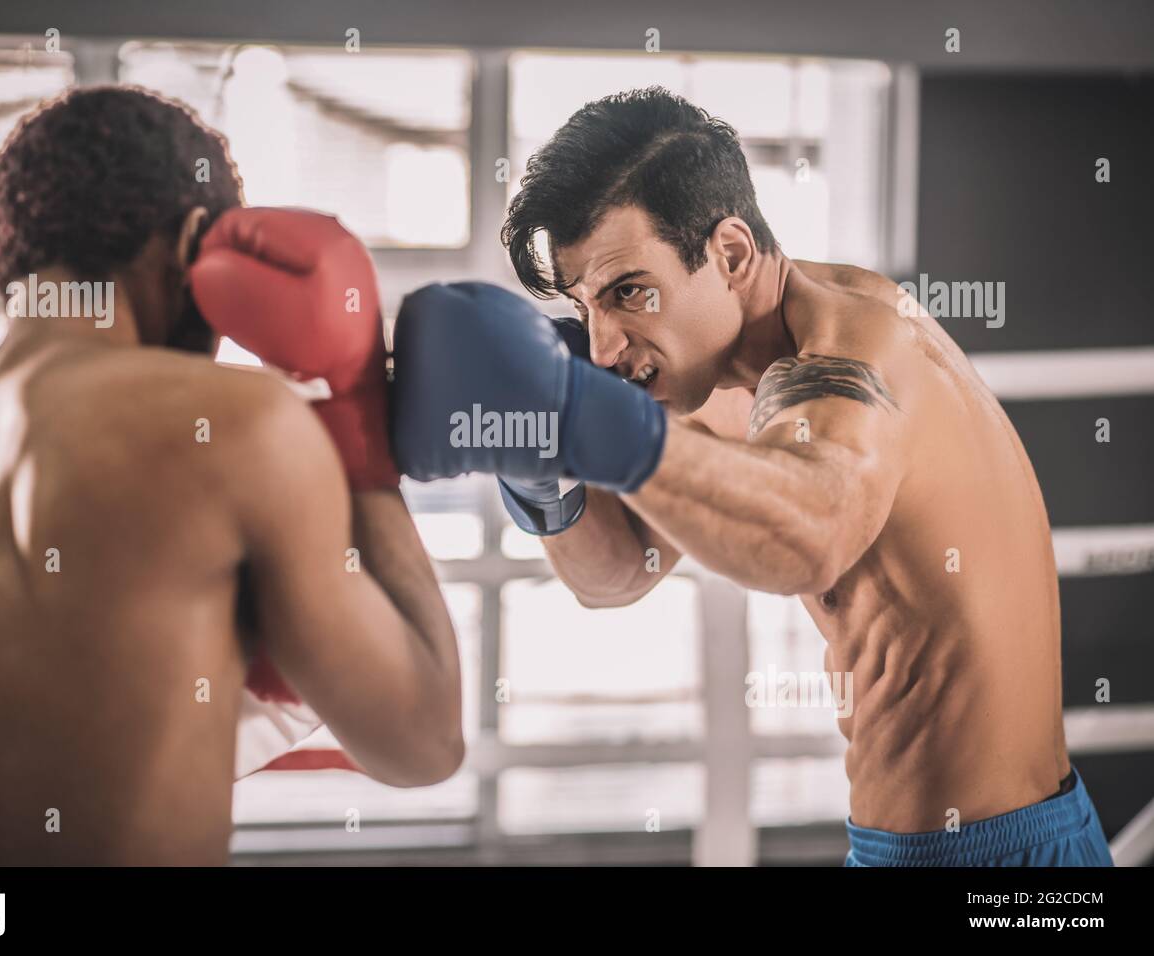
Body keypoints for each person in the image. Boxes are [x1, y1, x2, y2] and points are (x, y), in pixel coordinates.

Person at [390, 87, 1111, 866]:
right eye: (586, 305)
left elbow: (812, 536)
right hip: (897, 844)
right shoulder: (711, 372)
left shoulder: (855, 354)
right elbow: (617, 574)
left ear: (731, 254)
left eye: (630, 291)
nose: (602, 347)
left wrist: (574, 412)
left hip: (1002, 861)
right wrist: (537, 466)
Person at [0, 86, 463, 866]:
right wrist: (356, 416)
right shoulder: (237, 426)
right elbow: (423, 742)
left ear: (7, 260)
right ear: (192, 248)